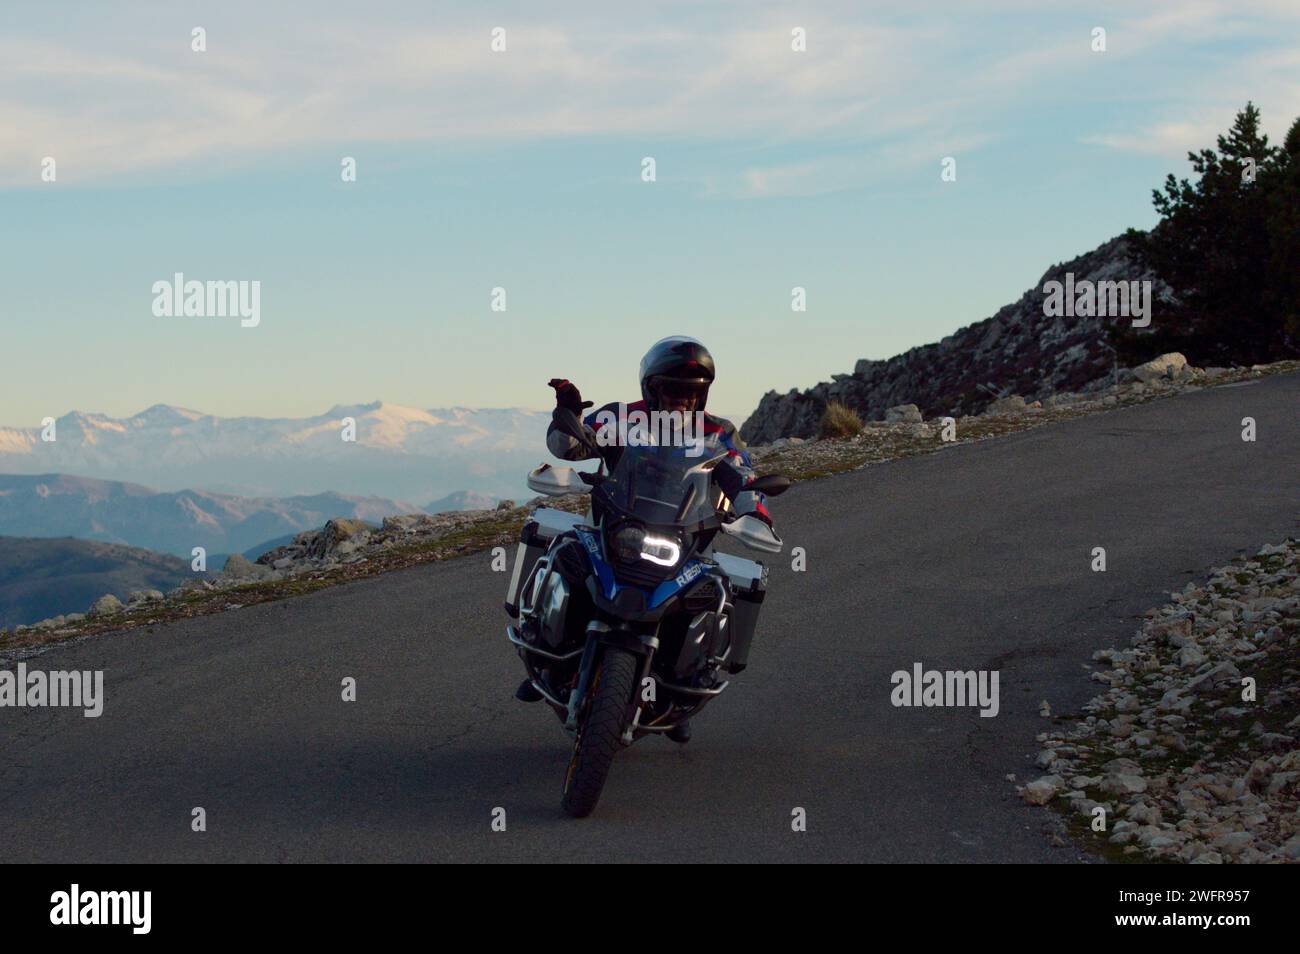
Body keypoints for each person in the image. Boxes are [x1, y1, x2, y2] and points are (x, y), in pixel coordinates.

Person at [519, 337, 773, 744]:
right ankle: (548, 655)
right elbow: (567, 446)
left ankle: (678, 686)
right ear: (651, 388)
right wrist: (566, 414)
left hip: (685, 537)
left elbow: (742, 476)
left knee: (708, 593)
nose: (681, 400)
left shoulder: (718, 432)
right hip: (612, 526)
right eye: (672, 390)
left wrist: (754, 512)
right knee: (566, 554)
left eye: (691, 392)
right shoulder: (621, 417)